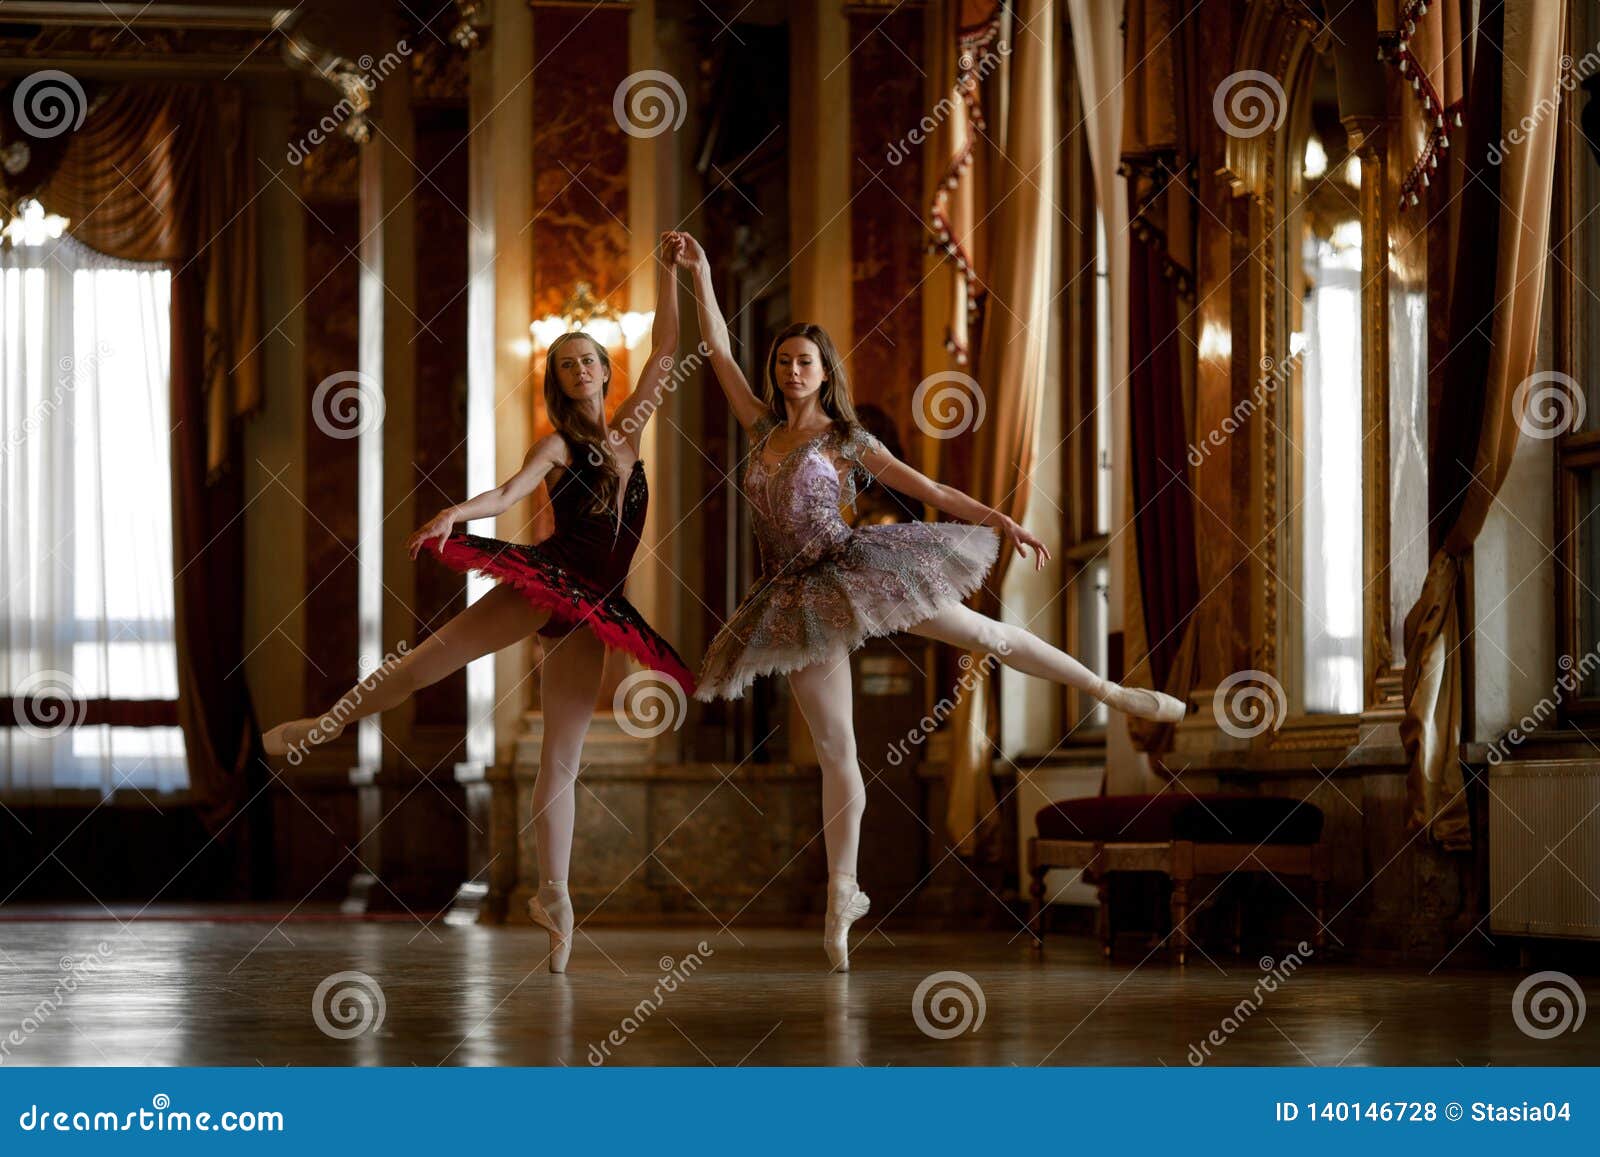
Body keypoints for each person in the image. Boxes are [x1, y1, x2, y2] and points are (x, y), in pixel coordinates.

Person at [674, 231, 1185, 971]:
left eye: (804, 362)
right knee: (835, 750)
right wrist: (701, 270)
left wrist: (1001, 519)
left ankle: (1113, 691)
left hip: (858, 567)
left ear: (824, 373)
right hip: (794, 595)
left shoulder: (848, 439)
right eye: (784, 361)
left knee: (987, 635)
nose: (791, 371)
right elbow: (717, 348)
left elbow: (932, 491)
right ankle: (843, 894)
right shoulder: (759, 427)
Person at [263, 234, 695, 973]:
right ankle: (326, 723)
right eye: (567, 365)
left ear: (603, 369)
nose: (581, 370)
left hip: (598, 607)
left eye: (588, 359)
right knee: (430, 662)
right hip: (549, 582)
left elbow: (669, 348)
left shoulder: (631, 432)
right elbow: (509, 493)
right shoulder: (560, 447)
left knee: (563, 759)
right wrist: (454, 515)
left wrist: (668, 271)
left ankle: (555, 901)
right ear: (560, 382)